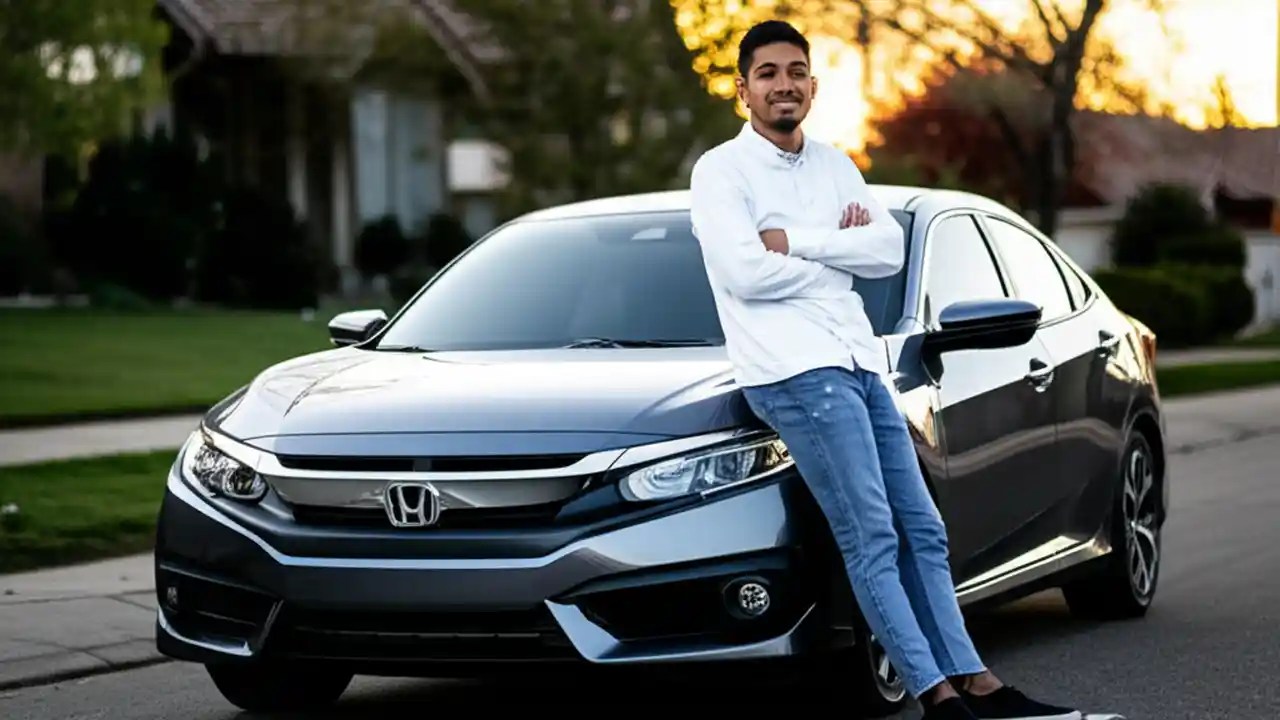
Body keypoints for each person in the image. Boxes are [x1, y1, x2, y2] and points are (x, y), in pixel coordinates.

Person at [687, 19, 1084, 720]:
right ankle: (935, 695)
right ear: (742, 90)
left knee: (923, 529)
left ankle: (977, 682)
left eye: (796, 71)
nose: (785, 84)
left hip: (860, 363)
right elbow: (743, 272)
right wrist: (837, 253)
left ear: (814, 83)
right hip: (797, 373)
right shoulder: (721, 172)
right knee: (871, 535)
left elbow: (888, 254)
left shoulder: (836, 163)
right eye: (769, 73)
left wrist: (800, 243)